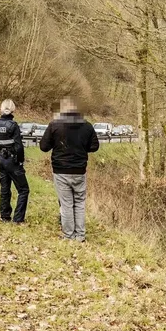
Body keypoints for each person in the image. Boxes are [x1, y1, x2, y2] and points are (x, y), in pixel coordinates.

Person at [39, 97, 99, 241]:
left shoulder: (55, 125)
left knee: (66, 204)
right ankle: (80, 235)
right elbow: (94, 146)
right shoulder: (87, 126)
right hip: (79, 170)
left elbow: (44, 147)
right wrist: (81, 148)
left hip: (61, 170)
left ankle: (68, 235)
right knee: (79, 203)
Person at [0, 99, 28, 223]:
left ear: (1, 109)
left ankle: (5, 216)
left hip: (1, 160)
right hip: (13, 161)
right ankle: (18, 218)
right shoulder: (13, 125)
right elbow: (19, 146)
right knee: (23, 189)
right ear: (13, 109)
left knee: (5, 189)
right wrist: (20, 161)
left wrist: (0, 155)